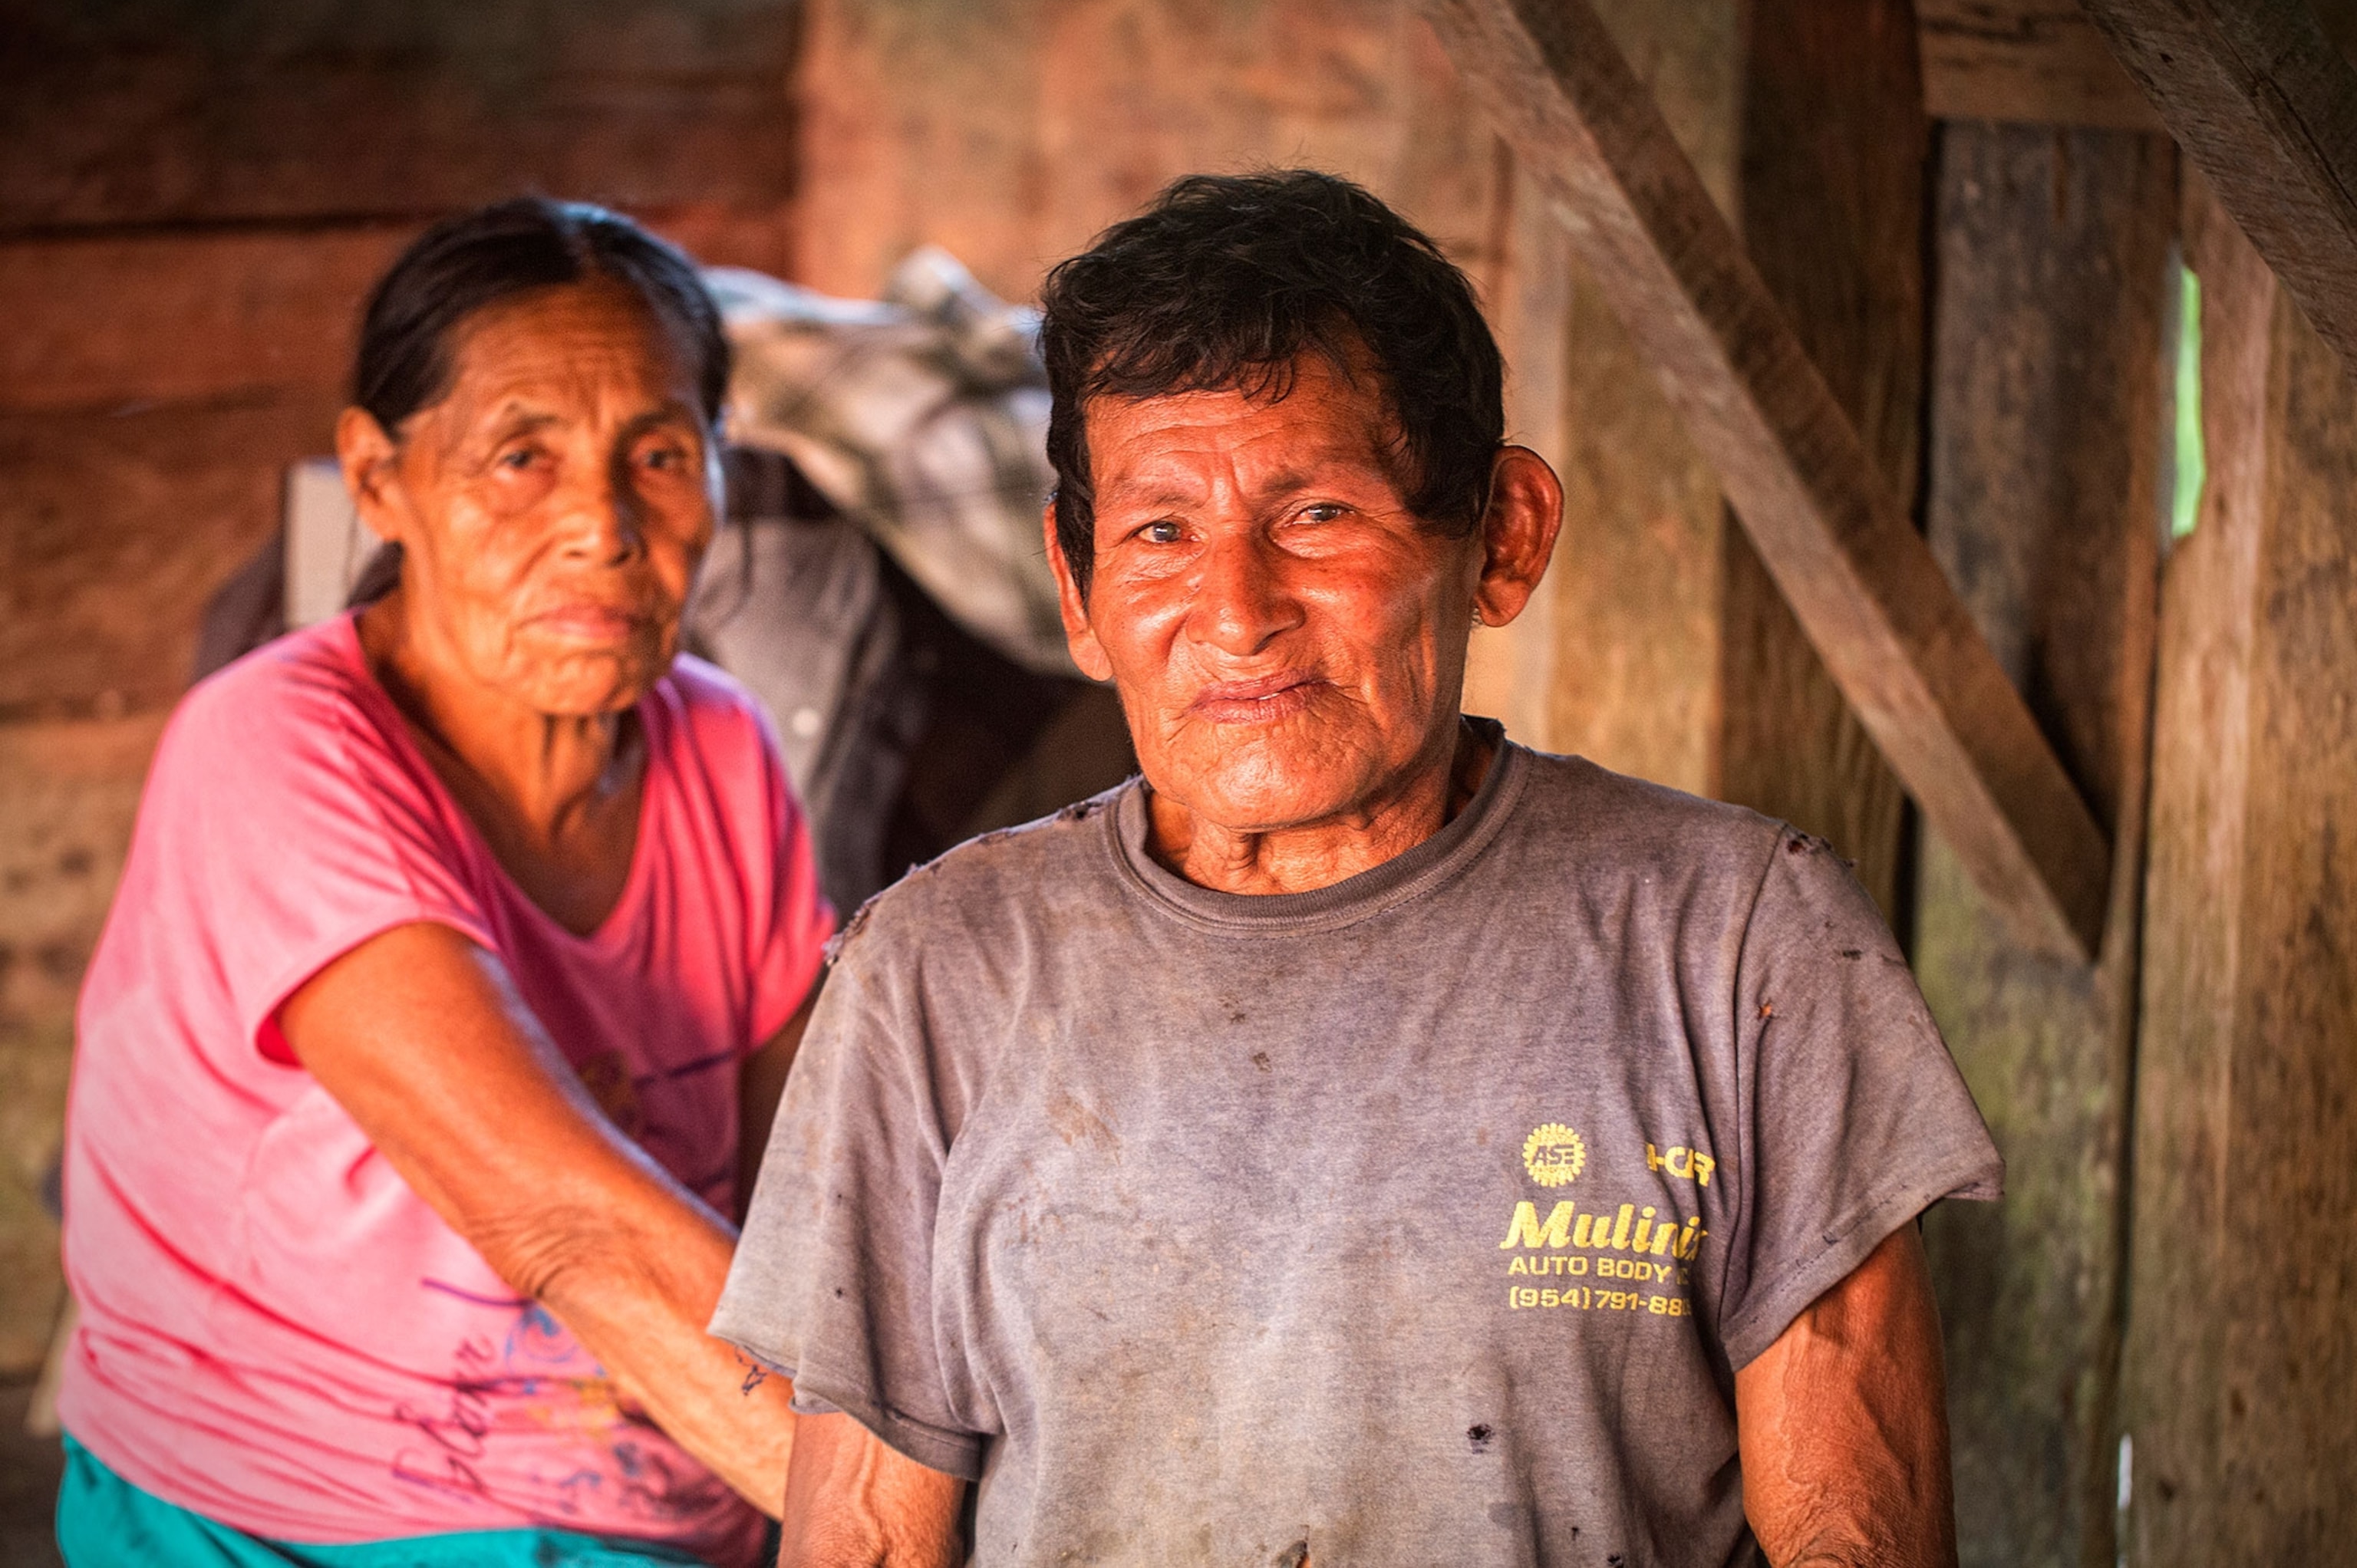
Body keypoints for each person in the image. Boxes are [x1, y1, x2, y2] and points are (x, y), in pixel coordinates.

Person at [714, 170, 2003, 1568]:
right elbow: (868, 1542)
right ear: (1078, 590)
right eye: (1159, 533)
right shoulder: (939, 969)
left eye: (1317, 515)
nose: (1238, 614)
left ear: (1502, 538)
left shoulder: (1740, 940)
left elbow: (1858, 1538)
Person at [54, 199, 829, 1566]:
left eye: (656, 454)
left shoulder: (723, 744)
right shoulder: (275, 748)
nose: (599, 524)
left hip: (672, 1492)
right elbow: (563, 1219)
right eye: (519, 456)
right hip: (301, 1509)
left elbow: (806, 1190)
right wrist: (923, 1517)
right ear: (377, 478)